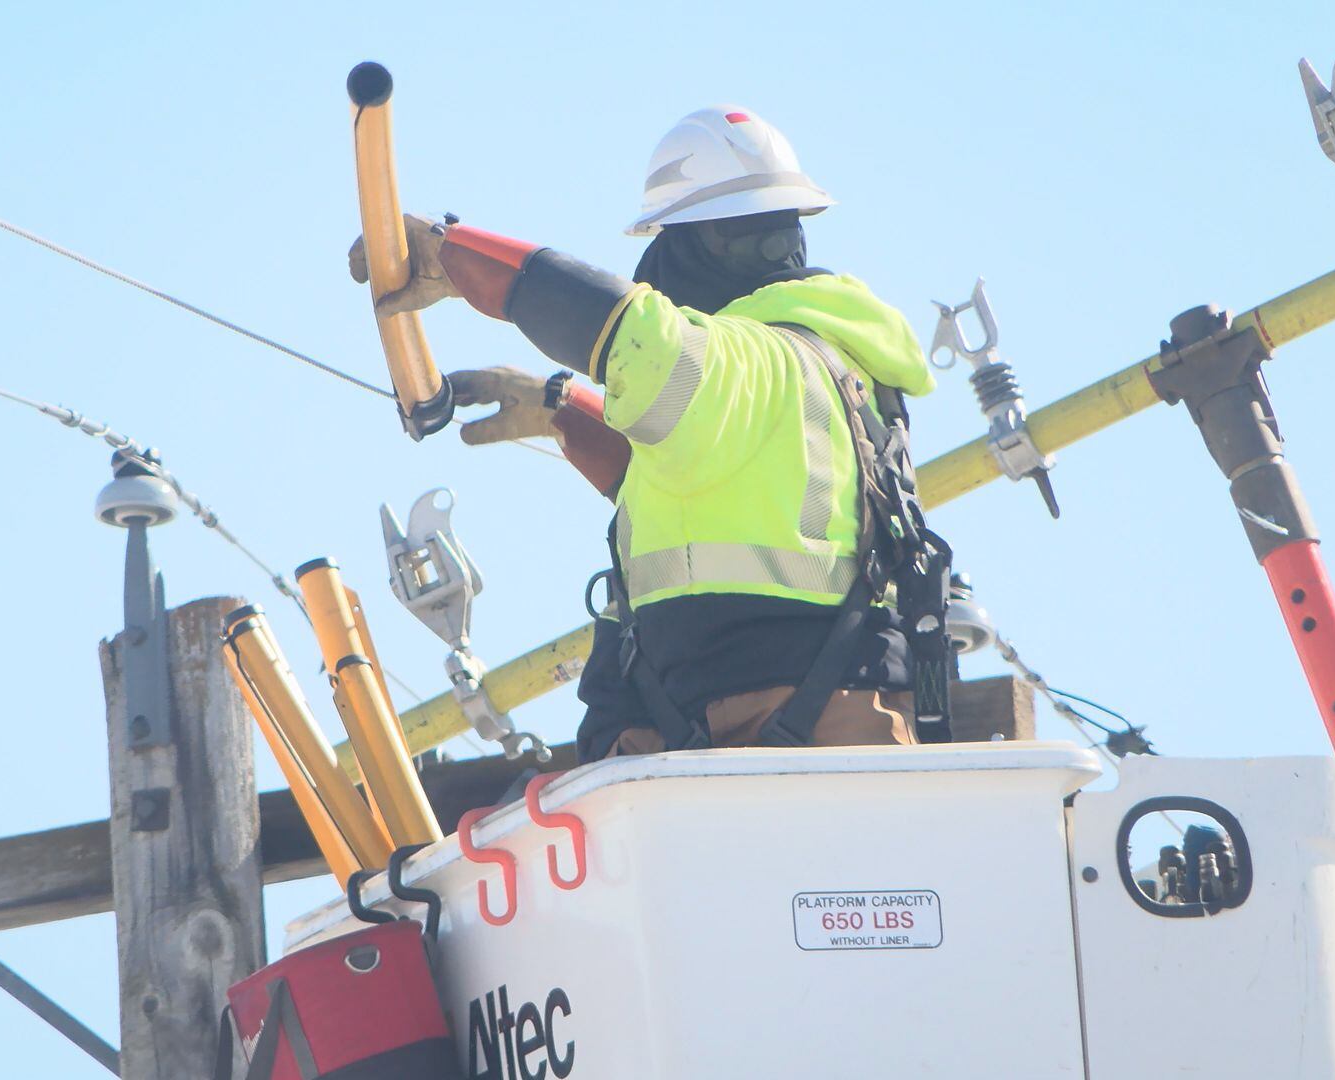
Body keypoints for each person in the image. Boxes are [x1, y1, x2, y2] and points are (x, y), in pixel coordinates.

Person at [350, 106, 951, 762]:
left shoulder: (755, 358)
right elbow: (718, 493)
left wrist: (456, 254)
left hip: (788, 725)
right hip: (777, 717)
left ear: (690, 245)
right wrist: (564, 412)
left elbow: (635, 334)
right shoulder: (824, 365)